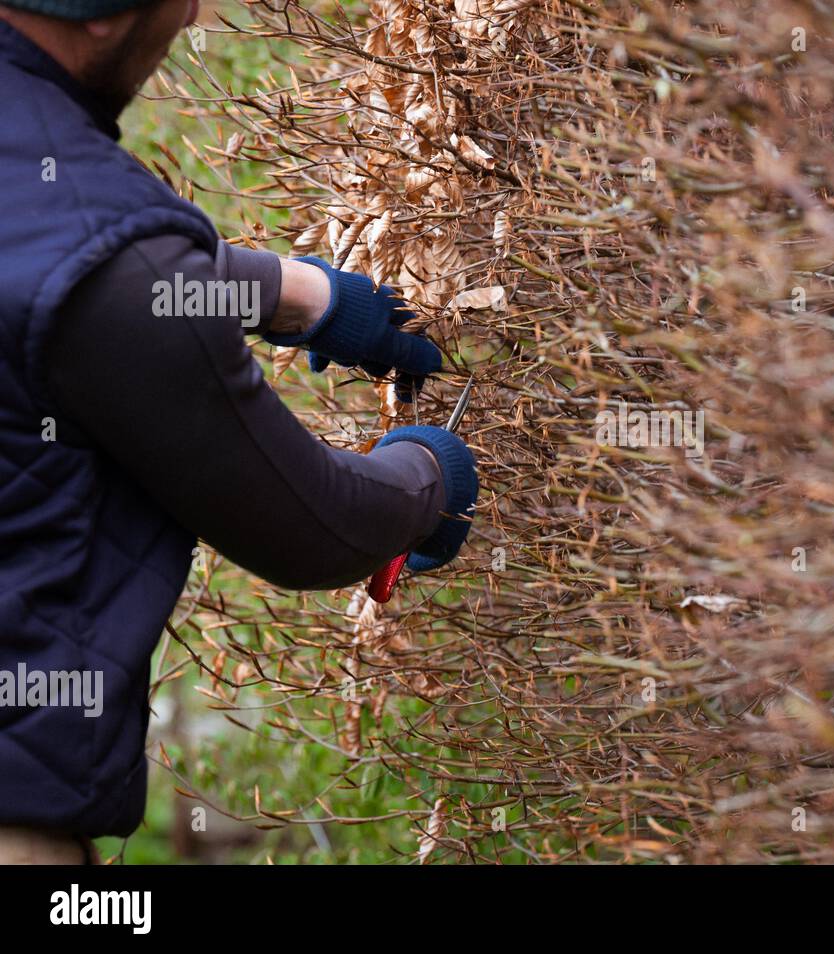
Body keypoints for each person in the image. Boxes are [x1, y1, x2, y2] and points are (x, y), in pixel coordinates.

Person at [0, 0, 477, 862]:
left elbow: (53, 263)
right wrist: (427, 481)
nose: (192, 15)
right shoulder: (94, 243)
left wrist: (305, 296)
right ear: (103, 16)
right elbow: (313, 527)